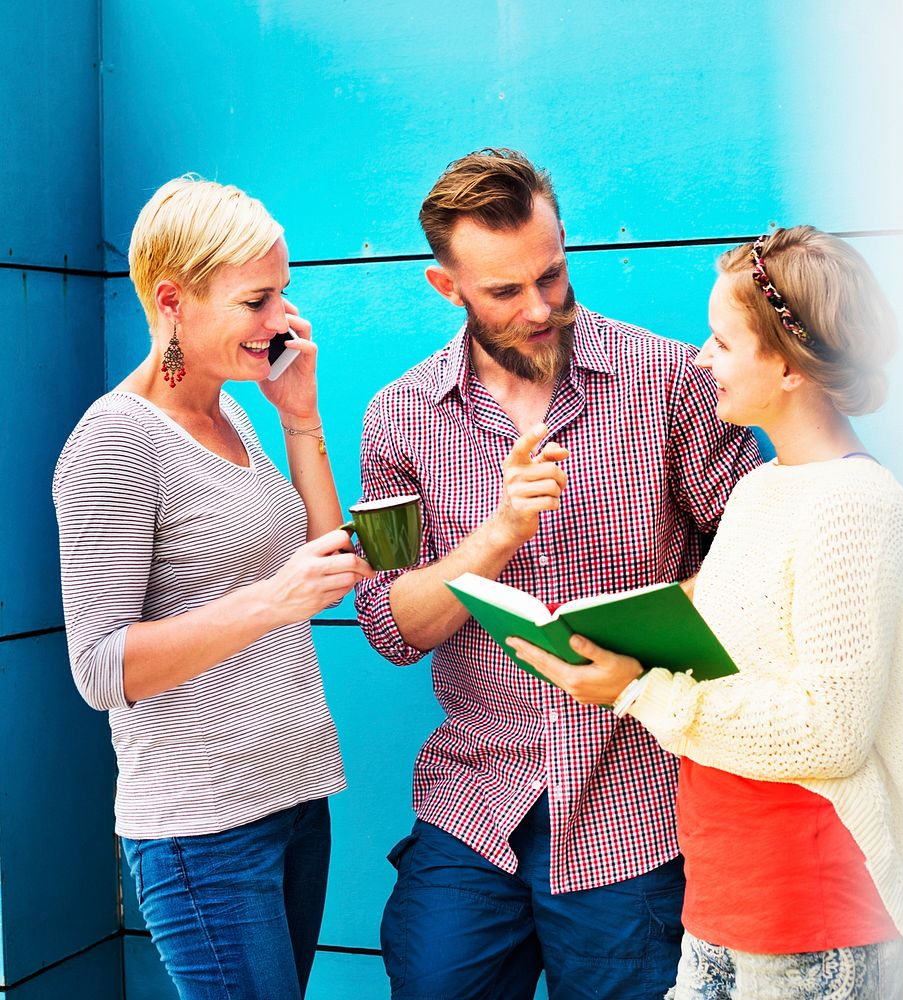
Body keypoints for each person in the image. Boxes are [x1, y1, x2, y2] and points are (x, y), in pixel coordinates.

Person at [353, 148, 761, 999]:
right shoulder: (397, 418)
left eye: (552, 273)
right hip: (476, 803)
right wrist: (497, 534)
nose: (540, 307)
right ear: (447, 288)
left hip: (637, 804)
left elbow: (761, 558)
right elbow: (392, 625)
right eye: (505, 291)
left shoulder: (669, 380)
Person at [509, 226, 903, 999]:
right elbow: (724, 619)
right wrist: (589, 624)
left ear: (789, 363)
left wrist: (636, 692)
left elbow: (831, 731)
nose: (700, 357)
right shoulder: (759, 488)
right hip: (723, 904)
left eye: (723, 341)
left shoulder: (857, 504)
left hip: (812, 923)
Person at [52, 176, 373, 1000]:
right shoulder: (115, 442)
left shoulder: (234, 417)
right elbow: (99, 668)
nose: (281, 321)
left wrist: (299, 414)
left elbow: (324, 566)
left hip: (294, 799)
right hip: (203, 831)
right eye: (256, 299)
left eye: (284, 295)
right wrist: (271, 601)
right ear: (173, 301)